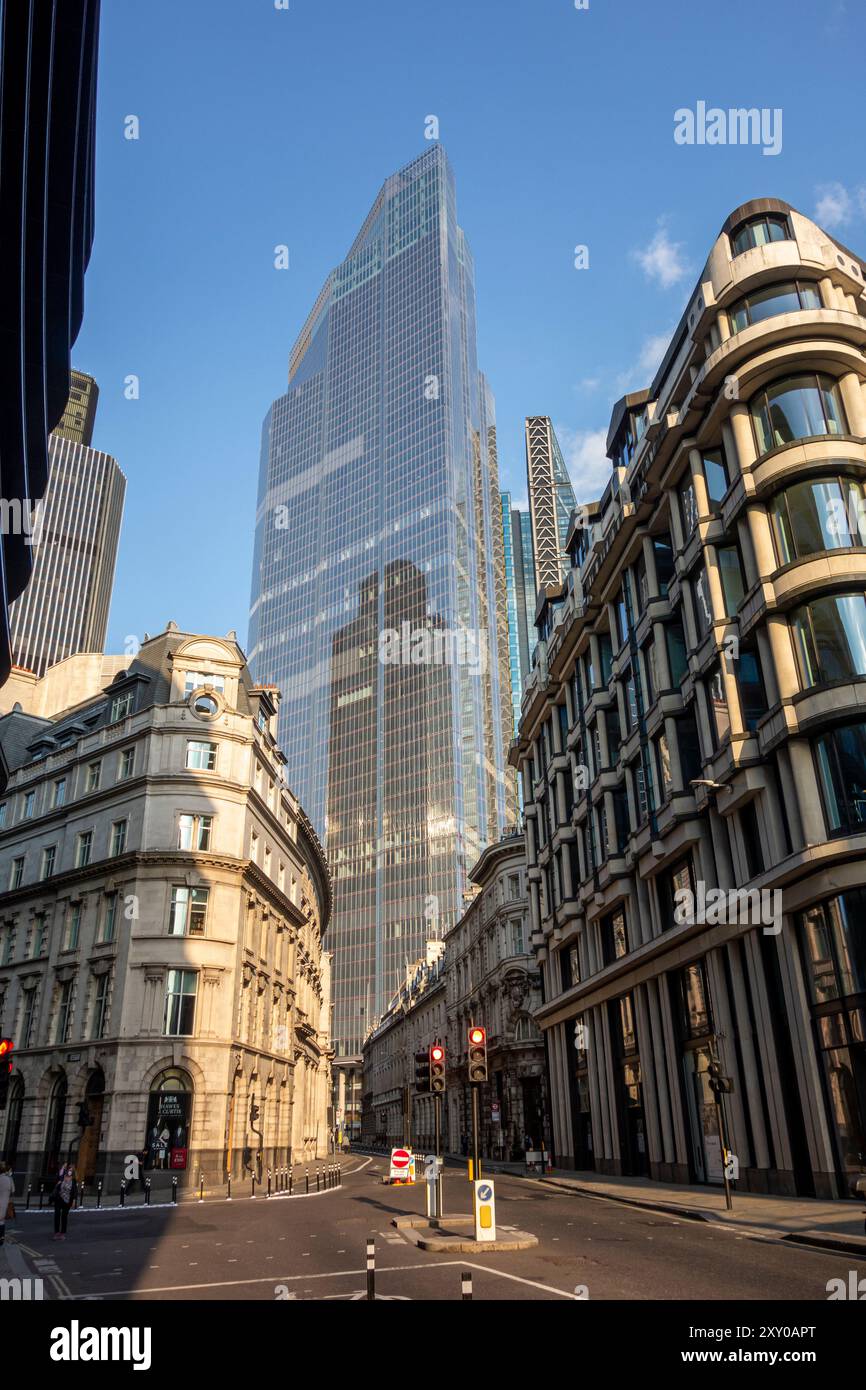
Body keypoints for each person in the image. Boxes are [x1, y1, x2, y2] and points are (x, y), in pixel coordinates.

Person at [52, 1163, 77, 1241]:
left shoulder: (73, 1180)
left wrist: (74, 1200)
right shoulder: (62, 1177)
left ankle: (62, 1233)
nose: (70, 1171)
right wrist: (62, 1168)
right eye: (69, 1170)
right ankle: (56, 1233)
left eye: (71, 1170)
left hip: (67, 1201)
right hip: (59, 1199)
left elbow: (75, 1191)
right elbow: (57, 1180)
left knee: (64, 1217)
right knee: (57, 1215)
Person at [0, 1162, 15, 1246]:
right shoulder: (9, 1179)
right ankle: (1, 1239)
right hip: (5, 1204)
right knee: (2, 1221)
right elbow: (13, 1190)